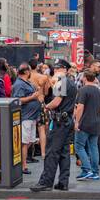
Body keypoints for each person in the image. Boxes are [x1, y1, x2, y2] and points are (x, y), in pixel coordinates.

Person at [31, 61, 75, 192]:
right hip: (67, 120)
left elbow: (56, 102)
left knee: (51, 152)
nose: (56, 70)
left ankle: (46, 182)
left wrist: (45, 106)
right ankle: (63, 182)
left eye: (59, 68)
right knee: (64, 153)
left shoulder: (61, 81)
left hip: (59, 121)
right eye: (55, 68)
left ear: (65, 69)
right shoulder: (71, 81)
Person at [73, 70, 100, 181]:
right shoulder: (98, 91)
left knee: (79, 146)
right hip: (96, 122)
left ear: (85, 78)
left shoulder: (82, 90)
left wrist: (77, 121)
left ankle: (87, 170)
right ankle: (95, 172)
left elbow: (80, 107)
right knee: (93, 147)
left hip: (84, 123)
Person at [11, 64, 41, 175]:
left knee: (30, 141)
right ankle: (23, 166)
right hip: (26, 116)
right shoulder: (19, 84)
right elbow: (18, 100)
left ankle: (22, 162)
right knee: (25, 142)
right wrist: (32, 97)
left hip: (31, 116)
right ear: (27, 71)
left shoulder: (25, 82)